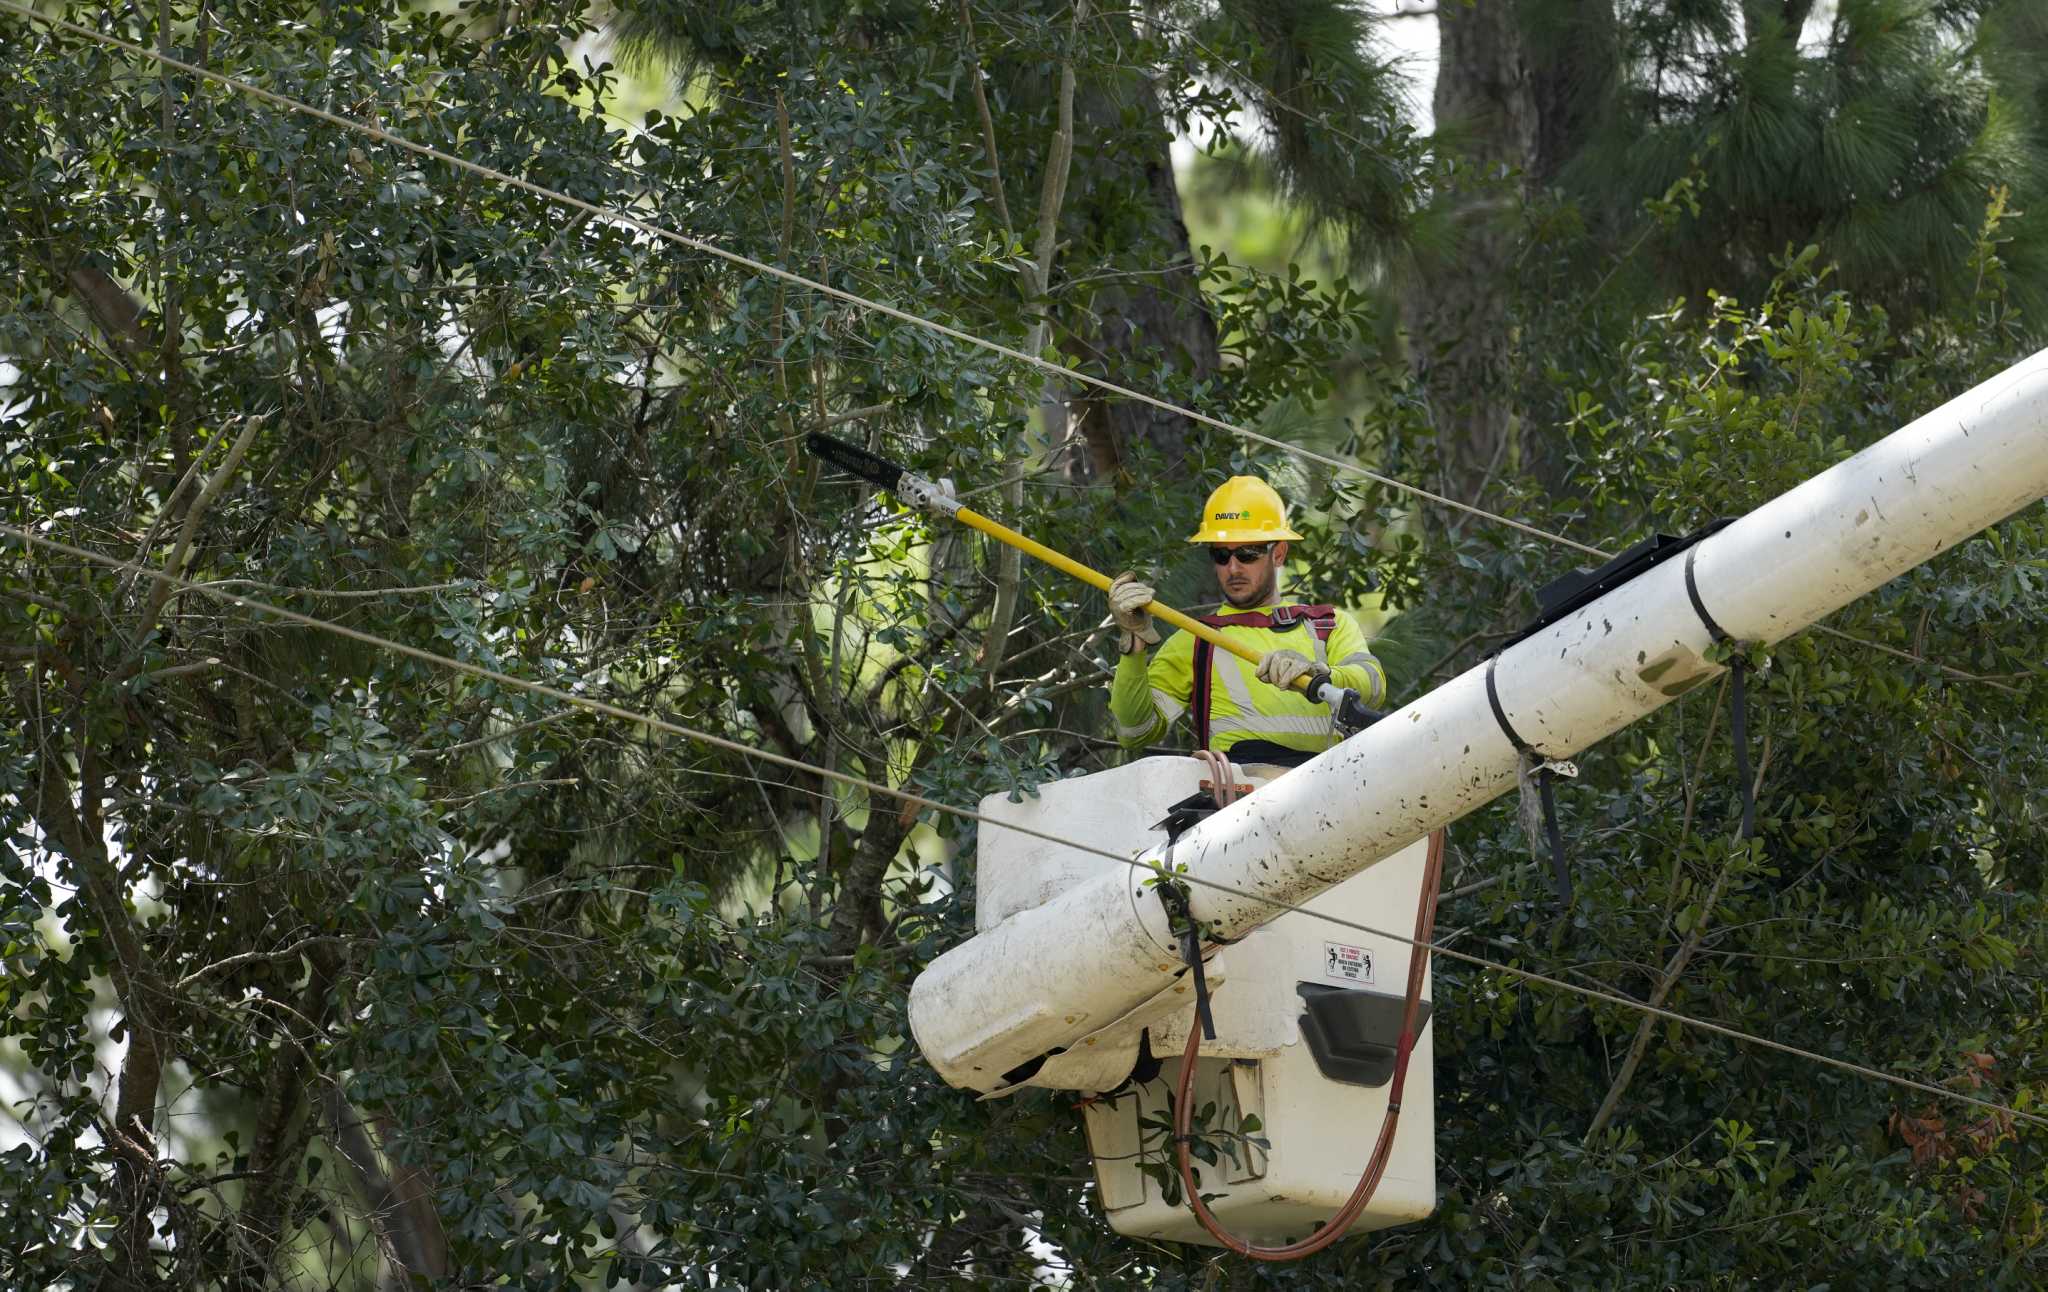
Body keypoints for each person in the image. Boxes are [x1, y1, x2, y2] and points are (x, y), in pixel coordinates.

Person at [1107, 475, 1386, 766]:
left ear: (1278, 554)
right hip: (1239, 796)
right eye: (1221, 555)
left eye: (1247, 554)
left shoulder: (1327, 624)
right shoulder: (1196, 638)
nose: (1233, 567)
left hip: (1325, 788)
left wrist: (1320, 674)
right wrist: (1134, 647)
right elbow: (1135, 732)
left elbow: (1373, 684)